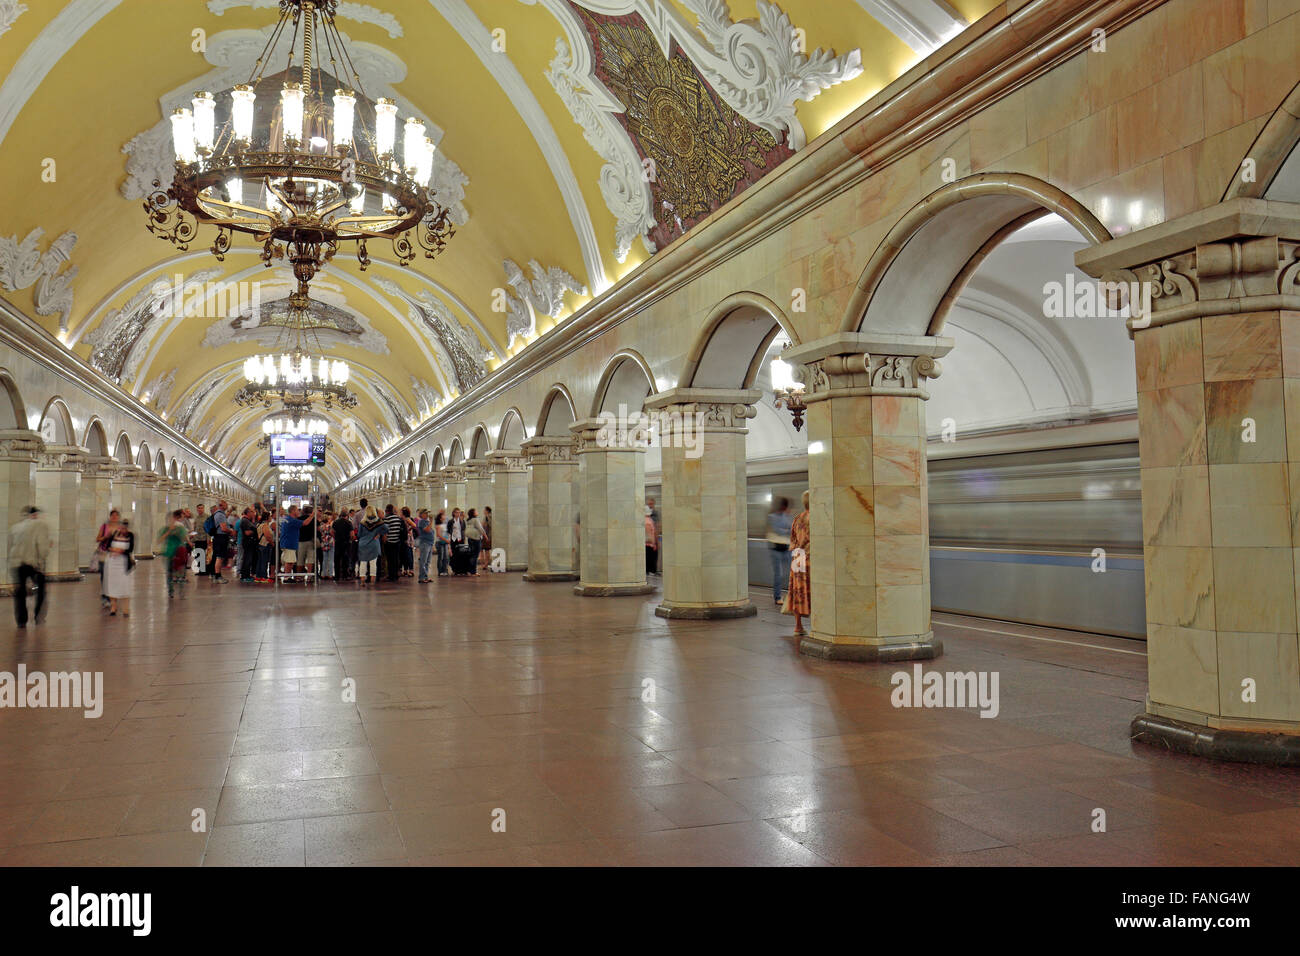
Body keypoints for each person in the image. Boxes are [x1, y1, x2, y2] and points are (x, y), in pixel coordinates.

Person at [10, 505, 52, 627]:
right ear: (34, 515)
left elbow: (10, 546)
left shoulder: (15, 527)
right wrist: (44, 555)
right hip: (33, 563)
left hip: (17, 564)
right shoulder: (40, 525)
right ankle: (38, 615)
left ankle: (21, 620)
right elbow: (42, 547)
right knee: (41, 591)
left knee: (20, 592)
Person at [783, 490, 811, 641]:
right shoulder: (817, 518)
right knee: (815, 590)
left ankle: (798, 626)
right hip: (811, 558)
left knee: (798, 591)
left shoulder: (797, 518)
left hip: (797, 557)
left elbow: (792, 540)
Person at [102, 518, 135, 617]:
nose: (122, 529)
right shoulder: (114, 534)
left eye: (124, 527)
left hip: (123, 563)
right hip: (112, 562)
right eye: (121, 527)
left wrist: (120, 551)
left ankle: (126, 609)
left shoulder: (131, 535)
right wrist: (113, 549)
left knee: (124, 584)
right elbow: (107, 546)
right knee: (112, 584)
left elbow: (130, 548)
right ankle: (113, 607)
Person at [766, 496, 793, 607]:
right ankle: (777, 597)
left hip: (787, 547)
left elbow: (791, 529)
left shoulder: (787, 516)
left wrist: (786, 531)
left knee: (791, 572)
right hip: (775, 548)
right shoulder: (771, 517)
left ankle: (792, 595)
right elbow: (779, 530)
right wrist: (787, 531)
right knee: (779, 574)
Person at [93, 508, 122, 608]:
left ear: (118, 517)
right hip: (104, 554)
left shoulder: (120, 529)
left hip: (115, 555)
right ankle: (105, 596)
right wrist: (105, 537)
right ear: (110, 517)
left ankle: (111, 596)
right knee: (104, 576)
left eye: (116, 515)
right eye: (112, 515)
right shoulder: (104, 527)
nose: (114, 517)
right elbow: (98, 539)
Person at [158, 509, 190, 598]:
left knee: (180, 573)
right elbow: (159, 540)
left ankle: (181, 591)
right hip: (169, 553)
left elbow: (183, 537)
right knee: (169, 573)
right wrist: (169, 532)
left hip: (179, 553)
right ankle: (170, 591)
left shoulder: (180, 528)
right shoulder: (165, 529)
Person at [357, 506, 384, 586]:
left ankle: (362, 581)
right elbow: (386, 529)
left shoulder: (362, 522)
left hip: (364, 544)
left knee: (363, 562)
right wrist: (378, 534)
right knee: (373, 563)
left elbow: (359, 534)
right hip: (373, 544)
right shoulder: (378, 521)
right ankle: (372, 581)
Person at [210, 500, 231, 583]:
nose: (227, 505)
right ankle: (218, 576)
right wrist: (231, 531)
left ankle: (215, 575)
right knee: (220, 557)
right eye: (226, 504)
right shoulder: (220, 514)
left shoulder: (218, 514)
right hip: (221, 537)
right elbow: (223, 528)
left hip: (218, 537)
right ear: (222, 505)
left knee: (218, 557)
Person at [383, 504, 404, 582]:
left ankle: (391, 576)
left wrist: (385, 541)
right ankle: (396, 574)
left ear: (387, 511)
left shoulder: (386, 518)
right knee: (396, 559)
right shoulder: (398, 518)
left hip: (389, 542)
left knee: (390, 559)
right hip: (397, 541)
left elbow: (385, 531)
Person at [446, 508, 470, 576]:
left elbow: (463, 531)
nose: (458, 514)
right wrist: (449, 543)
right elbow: (449, 532)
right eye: (456, 512)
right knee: (453, 556)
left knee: (461, 555)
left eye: (459, 512)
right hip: (453, 540)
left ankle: (461, 570)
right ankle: (454, 570)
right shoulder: (450, 521)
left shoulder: (462, 521)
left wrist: (464, 540)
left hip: (460, 540)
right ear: (453, 513)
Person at [331, 509, 353, 582]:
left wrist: (336, 537)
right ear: (347, 515)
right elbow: (352, 534)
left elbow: (332, 532)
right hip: (346, 543)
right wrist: (350, 539)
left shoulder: (335, 522)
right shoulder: (349, 523)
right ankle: (345, 575)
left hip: (338, 543)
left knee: (337, 560)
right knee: (345, 559)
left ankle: (337, 576)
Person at [415, 508, 435, 583]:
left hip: (429, 543)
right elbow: (427, 530)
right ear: (422, 514)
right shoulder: (421, 522)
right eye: (426, 513)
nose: (427, 515)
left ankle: (425, 576)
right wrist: (431, 521)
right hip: (424, 543)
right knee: (423, 560)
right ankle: (421, 577)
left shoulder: (426, 522)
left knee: (427, 561)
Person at [465, 507, 485, 577]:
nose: (477, 511)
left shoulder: (468, 520)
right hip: (476, 538)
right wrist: (485, 535)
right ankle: (473, 572)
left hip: (470, 538)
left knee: (471, 554)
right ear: (473, 513)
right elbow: (480, 528)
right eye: (476, 511)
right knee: (475, 555)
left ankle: (469, 570)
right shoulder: (476, 520)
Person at [400, 506, 415, 577]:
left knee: (409, 554)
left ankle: (411, 570)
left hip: (408, 538)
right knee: (405, 554)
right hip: (406, 538)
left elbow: (414, 525)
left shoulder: (407, 519)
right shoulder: (403, 519)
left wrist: (408, 529)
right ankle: (406, 570)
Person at [433, 509, 449, 577]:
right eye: (443, 515)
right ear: (440, 517)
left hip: (445, 542)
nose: (444, 516)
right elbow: (438, 535)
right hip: (440, 542)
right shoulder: (438, 525)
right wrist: (446, 540)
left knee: (446, 557)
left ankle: (445, 570)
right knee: (441, 557)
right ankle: (440, 571)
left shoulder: (444, 524)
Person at [320, 514, 335, 580]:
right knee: (331, 559)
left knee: (324, 559)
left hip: (324, 543)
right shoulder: (330, 526)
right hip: (330, 543)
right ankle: (330, 574)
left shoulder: (321, 527)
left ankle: (323, 574)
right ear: (328, 520)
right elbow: (332, 534)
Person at [478, 506, 494, 572]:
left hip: (487, 536)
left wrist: (483, 525)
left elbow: (490, 525)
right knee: (482, 550)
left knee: (487, 550)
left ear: (487, 511)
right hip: (483, 536)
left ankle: (486, 564)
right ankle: (484, 564)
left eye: (484, 510)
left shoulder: (489, 516)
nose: (483, 511)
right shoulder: (485, 517)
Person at [644, 505, 658, 578]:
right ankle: (651, 571)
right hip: (649, 544)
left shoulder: (646, 520)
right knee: (650, 559)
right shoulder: (648, 521)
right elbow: (649, 534)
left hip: (647, 544)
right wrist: (654, 543)